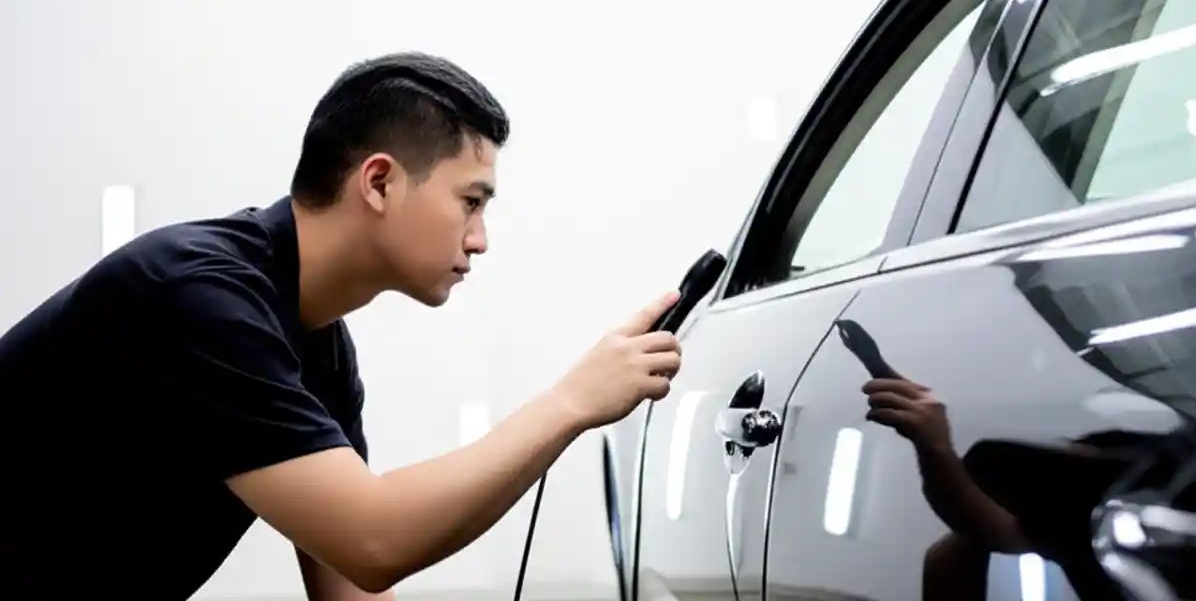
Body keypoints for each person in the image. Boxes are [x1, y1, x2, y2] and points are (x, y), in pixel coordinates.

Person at [0, 52, 684, 599]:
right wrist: (570, 404)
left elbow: (353, 580)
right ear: (379, 183)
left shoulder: (318, 344)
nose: (480, 239)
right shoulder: (201, 298)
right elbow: (374, 540)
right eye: (470, 202)